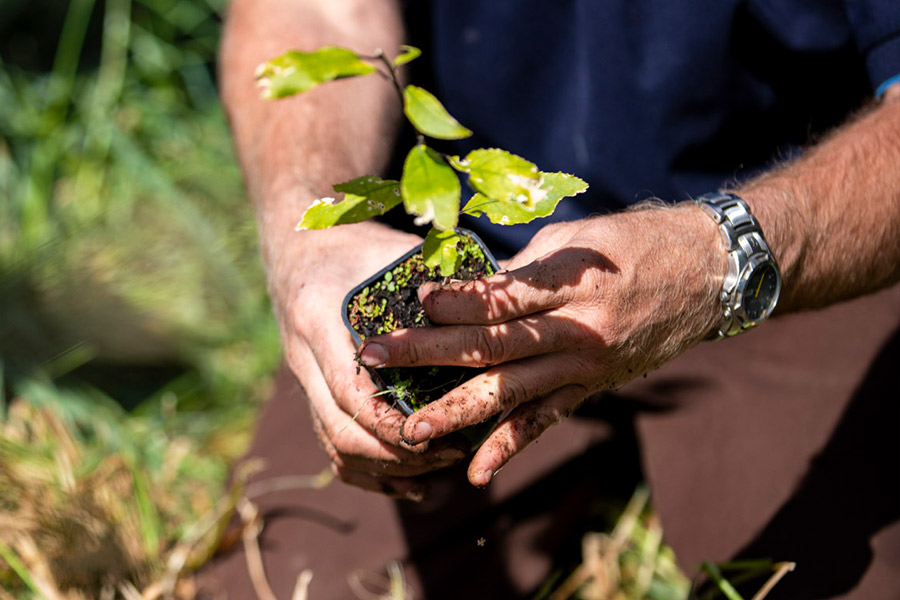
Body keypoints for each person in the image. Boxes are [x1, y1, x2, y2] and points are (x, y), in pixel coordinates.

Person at [200, 1, 900, 598]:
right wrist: (313, 225)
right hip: (462, 274)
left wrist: (722, 258)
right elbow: (314, 11)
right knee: (285, 579)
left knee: (831, 572)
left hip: (791, 258)